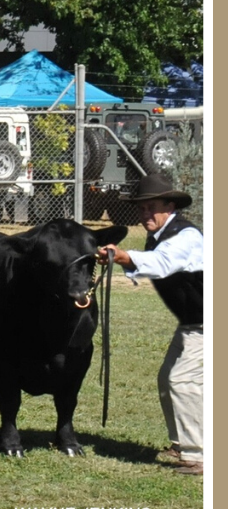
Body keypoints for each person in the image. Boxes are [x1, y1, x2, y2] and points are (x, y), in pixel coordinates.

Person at [98, 173, 205, 477]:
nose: (145, 215)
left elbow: (161, 263)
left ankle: (199, 456)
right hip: (192, 323)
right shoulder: (158, 236)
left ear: (170, 205)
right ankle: (181, 443)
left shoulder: (186, 237)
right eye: (141, 209)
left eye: (151, 207)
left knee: (182, 380)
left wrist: (123, 257)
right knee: (166, 379)